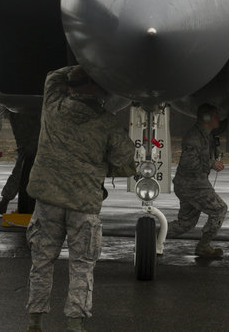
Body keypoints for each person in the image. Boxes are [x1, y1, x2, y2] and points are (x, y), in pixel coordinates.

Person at [24, 66, 135, 332]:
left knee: (41, 263)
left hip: (47, 202)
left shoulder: (51, 108)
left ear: (70, 87)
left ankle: (35, 321)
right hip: (83, 204)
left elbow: (52, 76)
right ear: (94, 88)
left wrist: (84, 62)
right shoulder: (106, 121)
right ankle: (75, 323)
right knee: (82, 266)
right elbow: (125, 161)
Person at [168, 103, 227, 258]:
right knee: (219, 209)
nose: (218, 119)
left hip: (190, 184)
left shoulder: (205, 135)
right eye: (215, 116)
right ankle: (204, 245)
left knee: (185, 224)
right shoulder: (194, 137)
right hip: (193, 185)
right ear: (206, 118)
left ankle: (150, 236)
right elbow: (189, 163)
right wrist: (211, 163)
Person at [0, 110, 40, 215]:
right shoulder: (17, 112)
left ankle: (5, 202)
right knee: (22, 166)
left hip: (32, 138)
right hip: (27, 129)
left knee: (22, 166)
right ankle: (4, 202)